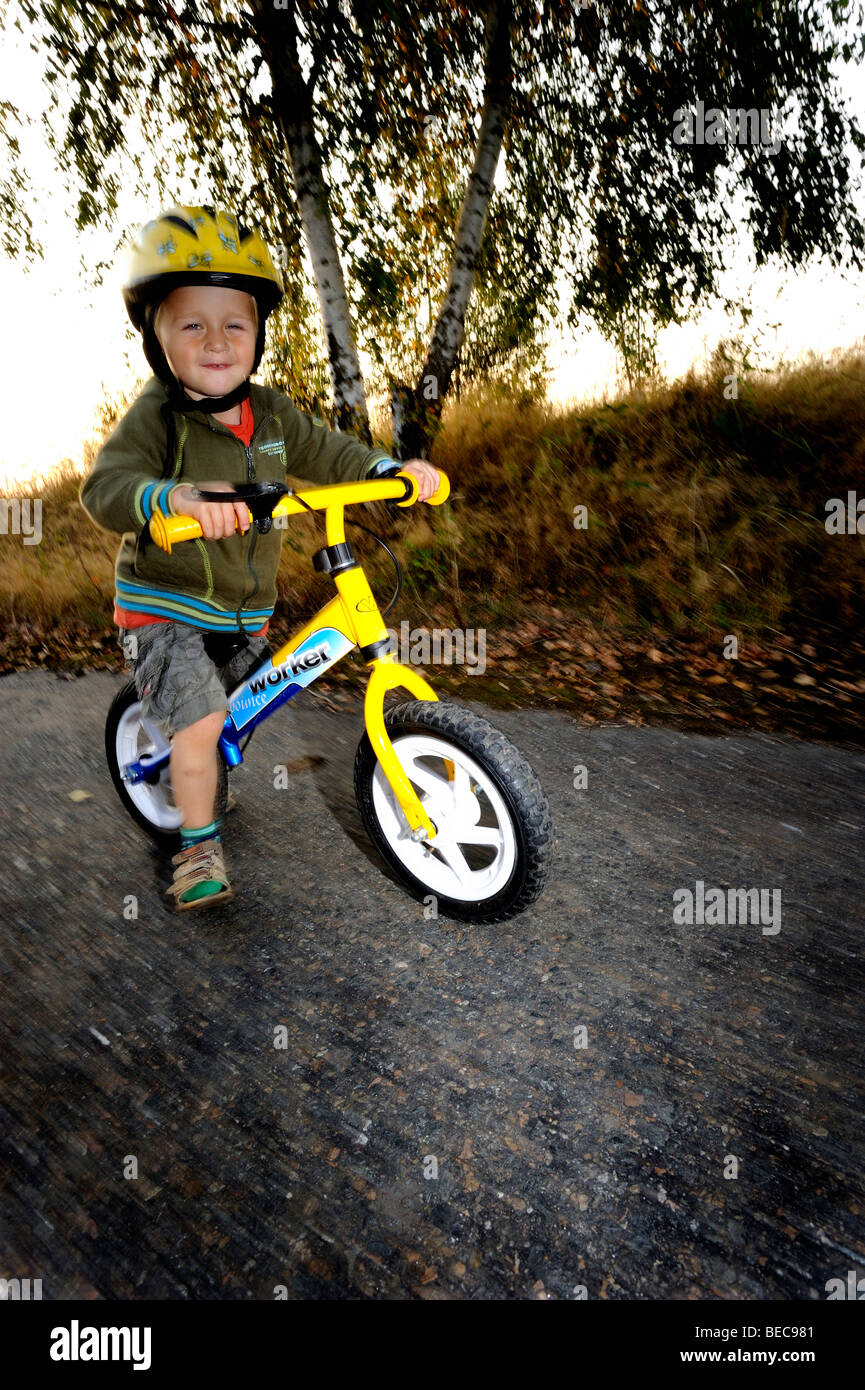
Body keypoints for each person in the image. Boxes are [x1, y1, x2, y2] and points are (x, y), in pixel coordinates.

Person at [80, 204, 440, 911]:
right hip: (164, 606)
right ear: (156, 337)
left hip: (243, 608)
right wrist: (173, 499)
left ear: (259, 334)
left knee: (245, 700)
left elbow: (326, 452)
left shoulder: (273, 415)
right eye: (192, 323)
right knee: (205, 719)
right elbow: (105, 489)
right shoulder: (156, 417)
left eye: (234, 323)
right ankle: (195, 846)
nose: (216, 340)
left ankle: (205, 766)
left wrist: (385, 467)